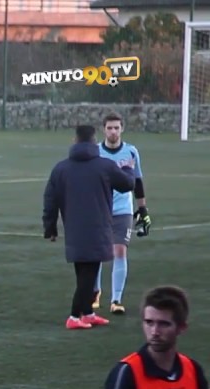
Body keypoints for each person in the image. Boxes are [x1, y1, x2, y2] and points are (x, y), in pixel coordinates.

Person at [42, 123, 135, 330]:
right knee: (88, 275)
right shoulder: (105, 166)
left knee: (83, 271)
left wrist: (50, 227)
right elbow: (128, 184)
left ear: (74, 141)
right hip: (98, 228)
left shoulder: (61, 168)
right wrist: (128, 168)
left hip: (74, 229)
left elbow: (50, 199)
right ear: (94, 141)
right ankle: (75, 316)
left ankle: (88, 312)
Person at [92, 112, 151, 315]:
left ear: (122, 129)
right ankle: (95, 292)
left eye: (117, 127)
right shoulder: (96, 152)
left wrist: (142, 208)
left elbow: (138, 182)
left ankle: (116, 299)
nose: (113, 131)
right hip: (100, 208)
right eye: (109, 128)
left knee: (120, 251)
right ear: (104, 129)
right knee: (97, 252)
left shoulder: (131, 152)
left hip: (123, 210)